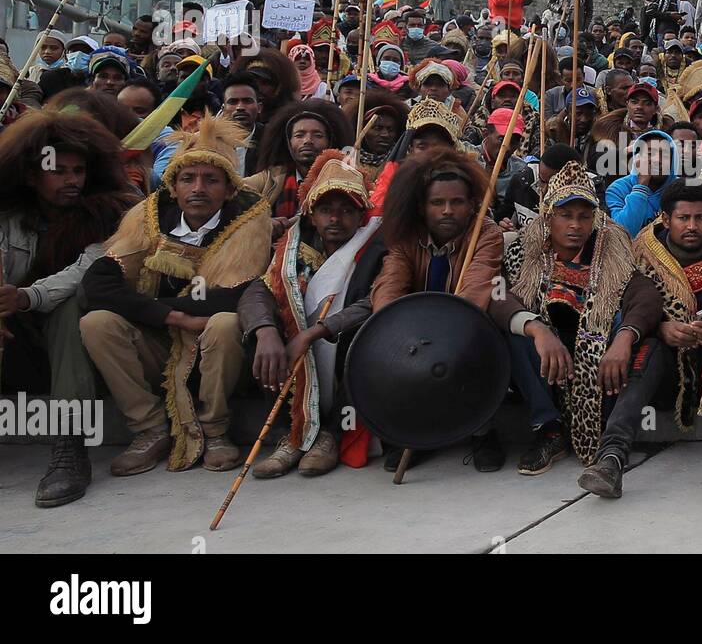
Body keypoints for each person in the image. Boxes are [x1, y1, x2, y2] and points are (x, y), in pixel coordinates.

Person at [80, 115, 273, 475]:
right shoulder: (150, 218)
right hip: (162, 342)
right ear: (173, 185)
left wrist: (148, 308)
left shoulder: (249, 220)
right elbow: (98, 285)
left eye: (211, 180)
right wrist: (172, 316)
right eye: (188, 178)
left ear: (229, 189)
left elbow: (232, 295)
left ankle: (215, 430)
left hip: (214, 351)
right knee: (98, 322)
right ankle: (150, 429)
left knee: (224, 323)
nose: (198, 188)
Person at [578, 179, 702, 503]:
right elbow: (628, 306)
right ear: (665, 219)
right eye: (683, 218)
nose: (692, 226)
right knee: (649, 347)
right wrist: (661, 328)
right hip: (662, 371)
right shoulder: (642, 253)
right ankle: (611, 459)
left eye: (700, 218)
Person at [0, 110, 138, 507]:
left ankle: (69, 446)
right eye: (58, 171)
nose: (72, 180)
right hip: (20, 345)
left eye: (78, 171)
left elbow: (86, 271)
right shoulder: (8, 220)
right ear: (31, 176)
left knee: (67, 310)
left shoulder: (109, 216)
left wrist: (25, 297)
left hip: (82, 350)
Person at [489, 161, 662, 473]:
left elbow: (645, 294)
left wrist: (624, 339)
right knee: (511, 333)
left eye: (584, 216)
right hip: (545, 358)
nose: (575, 225)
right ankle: (548, 428)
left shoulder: (611, 251)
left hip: (598, 359)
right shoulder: (522, 250)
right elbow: (498, 298)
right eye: (565, 215)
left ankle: (610, 433)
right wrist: (537, 330)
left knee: (632, 330)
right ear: (549, 216)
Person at [238, 151, 382, 479]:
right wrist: (264, 331)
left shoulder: (373, 247)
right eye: (326, 210)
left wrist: (316, 331)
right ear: (312, 214)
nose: (336, 219)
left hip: (341, 341)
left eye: (347, 211)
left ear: (361, 215)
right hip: (295, 347)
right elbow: (257, 292)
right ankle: (289, 434)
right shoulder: (292, 249)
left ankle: (330, 433)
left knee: (365, 336)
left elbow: (373, 301)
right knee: (260, 334)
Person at [369, 149, 507, 471]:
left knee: (478, 346)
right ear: (422, 207)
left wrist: (448, 337)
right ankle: (416, 436)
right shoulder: (406, 236)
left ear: (471, 204)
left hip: (465, 325)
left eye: (456, 203)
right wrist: (395, 334)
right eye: (437, 203)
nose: (447, 211)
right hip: (414, 328)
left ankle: (482, 432)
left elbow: (477, 287)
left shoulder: (486, 233)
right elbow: (389, 285)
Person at [244, 100, 353, 227]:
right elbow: (234, 193)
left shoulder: (344, 180)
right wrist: (264, 224)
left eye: (318, 135)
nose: (308, 141)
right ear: (288, 142)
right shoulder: (271, 177)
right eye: (299, 135)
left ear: (330, 142)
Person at [605, 129, 679, 236]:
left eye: (665, 155)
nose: (657, 160)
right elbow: (623, 234)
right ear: (637, 158)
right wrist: (641, 187)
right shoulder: (618, 189)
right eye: (650, 153)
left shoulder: (681, 189)